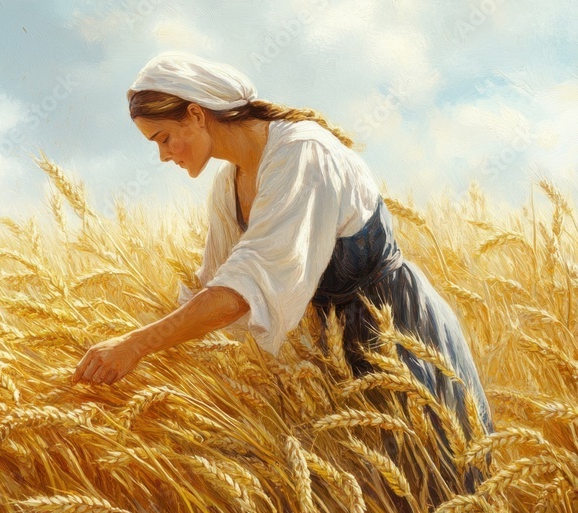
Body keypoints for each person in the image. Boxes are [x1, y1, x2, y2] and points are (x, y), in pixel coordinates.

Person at [70, 51, 493, 488]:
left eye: (163, 139)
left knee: (439, 483)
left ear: (196, 115)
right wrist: (131, 346)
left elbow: (243, 290)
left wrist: (138, 345)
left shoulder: (302, 154)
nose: (162, 156)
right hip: (336, 351)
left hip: (402, 336)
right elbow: (212, 288)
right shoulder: (228, 186)